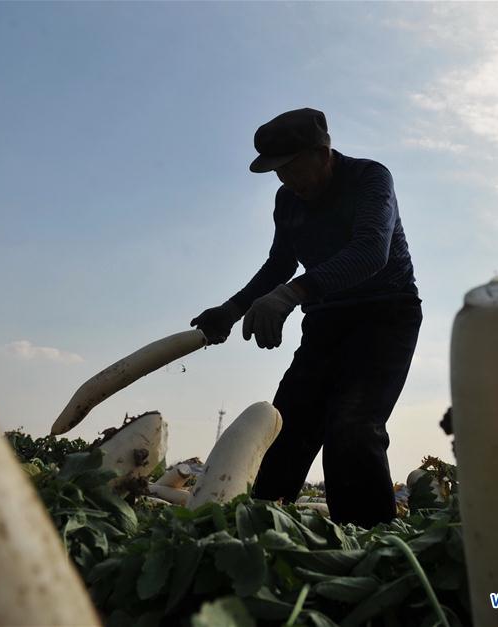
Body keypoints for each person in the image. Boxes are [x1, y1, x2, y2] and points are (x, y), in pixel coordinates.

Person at [189, 108, 421, 528]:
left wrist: (294, 293)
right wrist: (231, 309)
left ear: (323, 151)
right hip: (326, 323)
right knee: (285, 429)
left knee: (352, 428)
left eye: (293, 167)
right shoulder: (288, 201)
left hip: (385, 316)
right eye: (278, 173)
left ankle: (370, 541)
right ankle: (254, 530)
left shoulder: (370, 178)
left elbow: (371, 250)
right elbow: (279, 264)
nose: (288, 181)